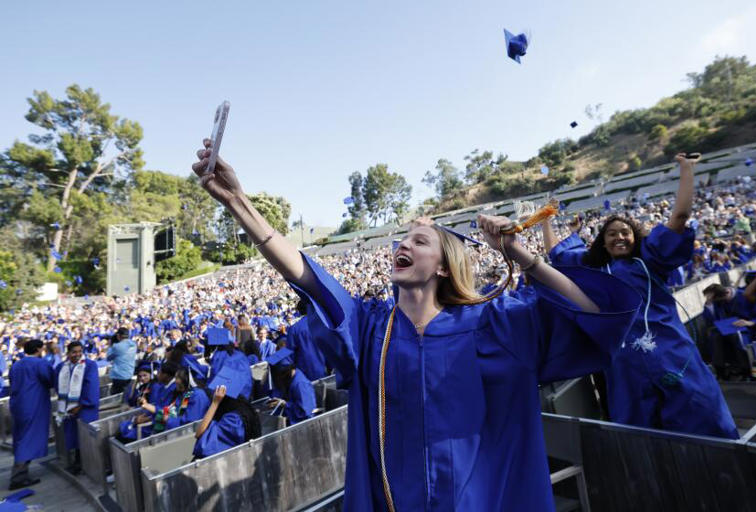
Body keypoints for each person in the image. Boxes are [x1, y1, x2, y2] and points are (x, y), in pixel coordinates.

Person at [191, 139, 641, 511]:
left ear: (445, 267)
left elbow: (596, 316)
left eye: (418, 240)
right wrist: (237, 201)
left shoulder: (497, 323)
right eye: (401, 240)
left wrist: (520, 254)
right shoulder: (373, 332)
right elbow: (307, 276)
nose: (401, 246)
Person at [543, 154, 739, 439]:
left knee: (704, 421)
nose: (619, 237)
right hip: (625, 366)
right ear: (602, 242)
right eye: (611, 234)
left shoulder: (650, 258)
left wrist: (686, 169)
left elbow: (680, 217)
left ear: (636, 237)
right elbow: (556, 256)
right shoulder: (595, 266)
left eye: (625, 232)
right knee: (643, 440)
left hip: (671, 353)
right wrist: (547, 220)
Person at [9, 339, 54, 489]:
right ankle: (18, 477)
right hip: (33, 405)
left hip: (18, 405)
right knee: (27, 439)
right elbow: (50, 379)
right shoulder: (40, 364)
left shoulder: (16, 365)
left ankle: (21, 473)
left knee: (21, 437)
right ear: (38, 350)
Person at [193, 367, 261, 459]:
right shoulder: (180, 393)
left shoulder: (194, 394)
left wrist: (171, 419)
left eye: (177, 378)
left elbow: (190, 418)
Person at [55, 341, 100, 474]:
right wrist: (68, 404)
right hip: (69, 408)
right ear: (68, 353)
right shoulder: (61, 367)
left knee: (84, 436)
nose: (77, 354)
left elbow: (91, 386)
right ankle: (77, 462)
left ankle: (85, 464)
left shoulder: (90, 365)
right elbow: (58, 386)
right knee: (73, 436)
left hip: (85, 407)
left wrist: (80, 405)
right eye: (74, 352)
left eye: (80, 351)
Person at [118, 362, 178, 442]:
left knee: (123, 436)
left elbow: (165, 409)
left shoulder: (162, 388)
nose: (157, 374)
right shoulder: (152, 386)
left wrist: (146, 408)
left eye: (159, 372)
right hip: (152, 418)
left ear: (165, 375)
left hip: (155, 423)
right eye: (140, 376)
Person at [141, 370, 210, 435]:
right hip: (175, 431)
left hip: (188, 434)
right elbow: (179, 413)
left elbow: (191, 421)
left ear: (185, 380)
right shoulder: (187, 394)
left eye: (177, 378)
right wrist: (166, 414)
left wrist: (169, 419)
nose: (175, 381)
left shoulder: (197, 395)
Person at [266, 348, 317, 425]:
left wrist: (285, 404)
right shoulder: (290, 379)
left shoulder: (300, 384)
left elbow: (304, 411)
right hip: (290, 418)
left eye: (281, 374)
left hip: (303, 424)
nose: (279, 377)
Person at [286, 299, 327, 381]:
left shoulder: (294, 329)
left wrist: (273, 359)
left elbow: (289, 352)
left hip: (304, 372)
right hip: (323, 368)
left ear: (299, 311)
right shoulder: (323, 325)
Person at [107, 327, 136, 394]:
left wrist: (111, 345)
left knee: (115, 395)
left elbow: (108, 358)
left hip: (119, 376)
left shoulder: (116, 346)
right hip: (129, 374)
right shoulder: (134, 344)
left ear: (118, 335)